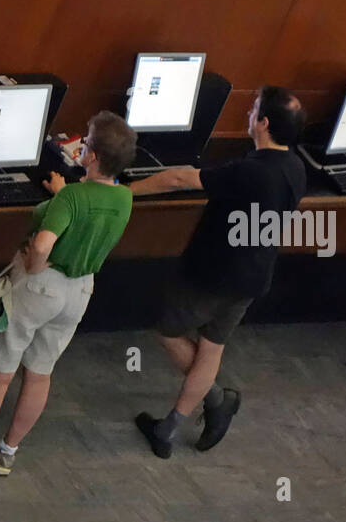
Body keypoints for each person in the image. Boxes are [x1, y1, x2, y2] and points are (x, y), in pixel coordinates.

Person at [0, 111, 137, 477]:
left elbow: (43, 245)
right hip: (79, 291)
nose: (80, 144)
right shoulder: (123, 198)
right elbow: (91, 206)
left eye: (86, 140)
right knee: (39, 373)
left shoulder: (71, 201)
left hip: (39, 288)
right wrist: (64, 193)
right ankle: (6, 452)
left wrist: (35, 262)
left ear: (94, 156)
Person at [128, 86, 307, 457]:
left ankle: (213, 399)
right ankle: (172, 426)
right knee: (211, 351)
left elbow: (179, 179)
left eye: (253, 108)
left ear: (264, 123)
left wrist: (123, 190)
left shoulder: (251, 171)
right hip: (253, 277)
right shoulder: (295, 166)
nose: (248, 113)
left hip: (212, 275)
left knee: (168, 331)